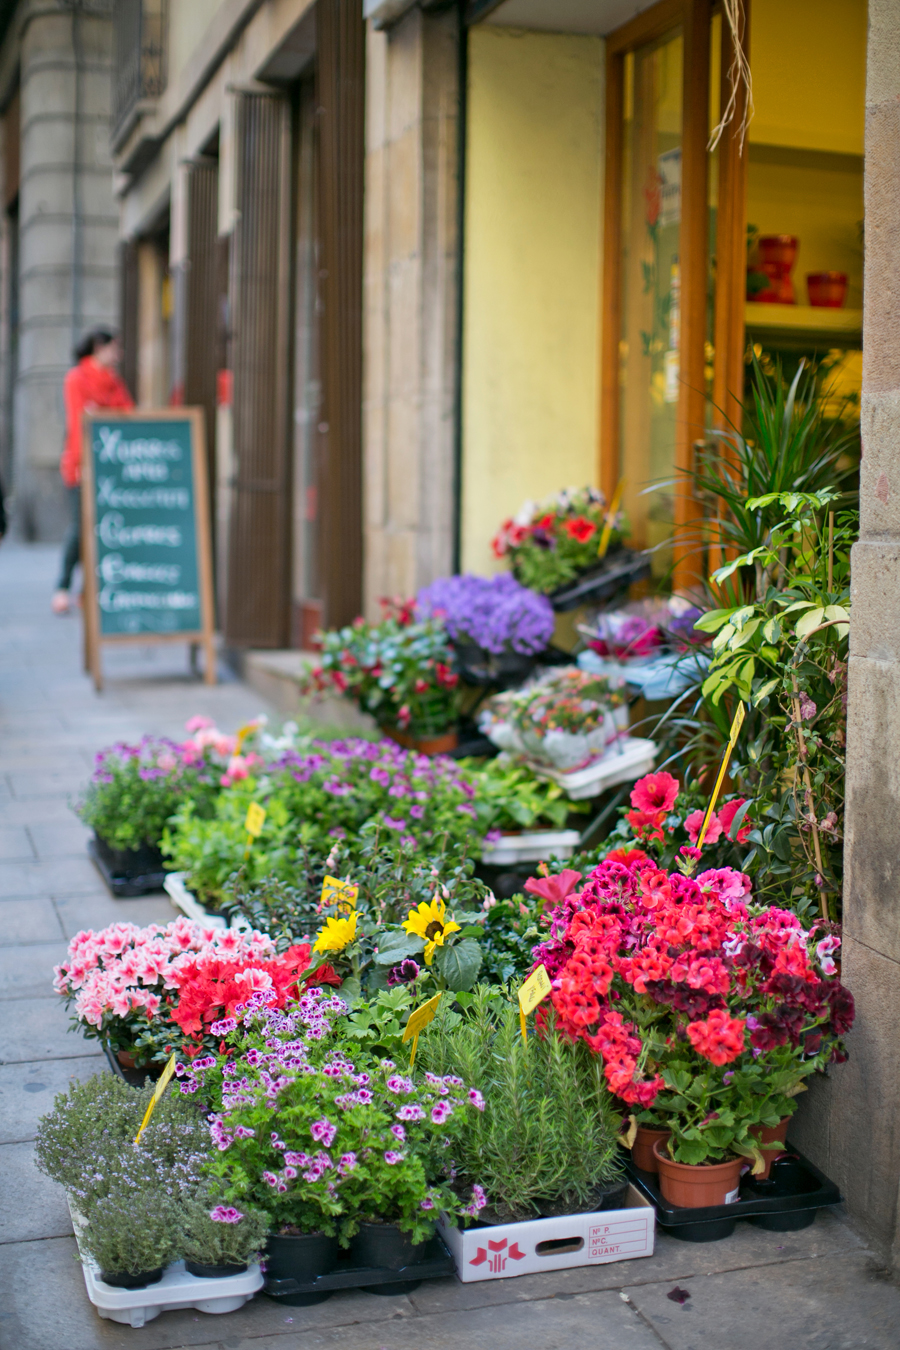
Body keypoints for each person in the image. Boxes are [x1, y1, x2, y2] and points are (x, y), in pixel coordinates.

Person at [53, 328, 133, 615]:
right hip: (80, 465)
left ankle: (89, 590)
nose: (118, 354)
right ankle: (62, 587)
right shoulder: (77, 378)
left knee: (103, 529)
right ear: (100, 348)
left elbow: (128, 414)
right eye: (114, 348)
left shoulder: (113, 381)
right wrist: (80, 465)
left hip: (109, 467)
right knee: (80, 528)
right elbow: (79, 423)